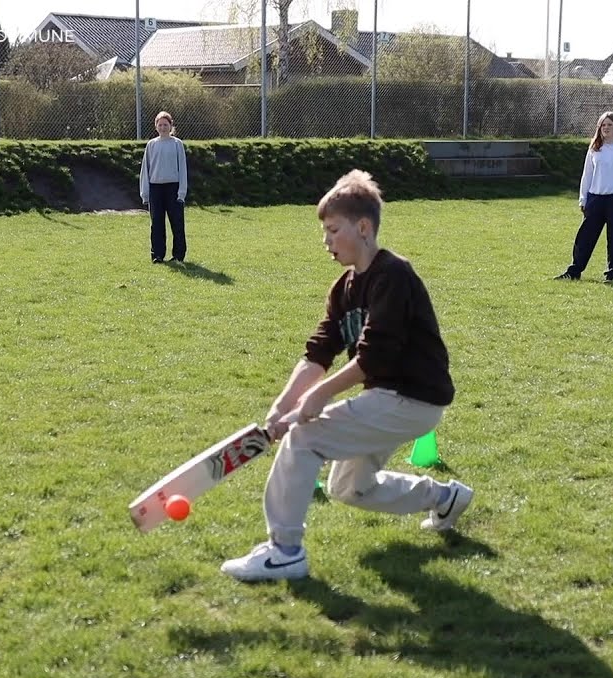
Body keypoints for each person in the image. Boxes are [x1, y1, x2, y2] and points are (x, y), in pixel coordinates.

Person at [220, 169, 472, 583]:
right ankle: (444, 498)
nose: (326, 242)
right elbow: (318, 352)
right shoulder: (343, 289)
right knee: (350, 488)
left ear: (364, 227)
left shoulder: (394, 277)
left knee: (305, 438)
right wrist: (284, 404)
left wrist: (316, 399)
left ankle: (284, 551)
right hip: (388, 400)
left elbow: (374, 357)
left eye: (333, 231)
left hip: (413, 398)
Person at [553, 110, 613, 284]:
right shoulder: (594, 148)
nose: (606, 128)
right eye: (603, 125)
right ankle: (574, 270)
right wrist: (583, 198)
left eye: (610, 125)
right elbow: (587, 175)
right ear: (599, 128)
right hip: (595, 199)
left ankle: (612, 274)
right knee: (584, 237)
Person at [139, 111, 188, 264]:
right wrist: (145, 193)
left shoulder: (177, 144)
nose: (163, 127)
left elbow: (182, 169)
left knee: (177, 223)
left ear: (170, 126)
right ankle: (157, 255)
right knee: (157, 223)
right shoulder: (151, 145)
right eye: (160, 125)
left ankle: (178, 255)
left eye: (165, 125)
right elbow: (145, 170)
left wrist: (181, 192)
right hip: (156, 189)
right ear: (156, 126)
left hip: (173, 188)